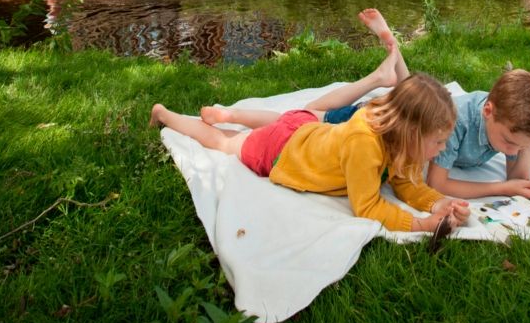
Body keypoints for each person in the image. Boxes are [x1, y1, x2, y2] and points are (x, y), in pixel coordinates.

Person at [201, 6, 530, 202]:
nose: (512, 151)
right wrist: (502, 188)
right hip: (372, 118)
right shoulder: (457, 123)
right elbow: (438, 184)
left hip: (411, 106)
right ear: (488, 111)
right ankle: (231, 114)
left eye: (520, 146)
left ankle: (390, 60)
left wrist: (524, 148)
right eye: (510, 143)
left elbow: (519, 177)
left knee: (300, 118)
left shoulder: (511, 127)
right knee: (302, 117)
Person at [150, 40, 470, 235]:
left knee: (275, 122)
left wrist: (439, 203)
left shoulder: (401, 140)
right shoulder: (365, 144)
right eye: (438, 142)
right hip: (285, 149)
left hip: (306, 129)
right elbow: (368, 207)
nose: (442, 149)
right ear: (411, 132)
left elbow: (406, 184)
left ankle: (229, 114)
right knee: (225, 143)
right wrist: (420, 225)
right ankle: (166, 115)